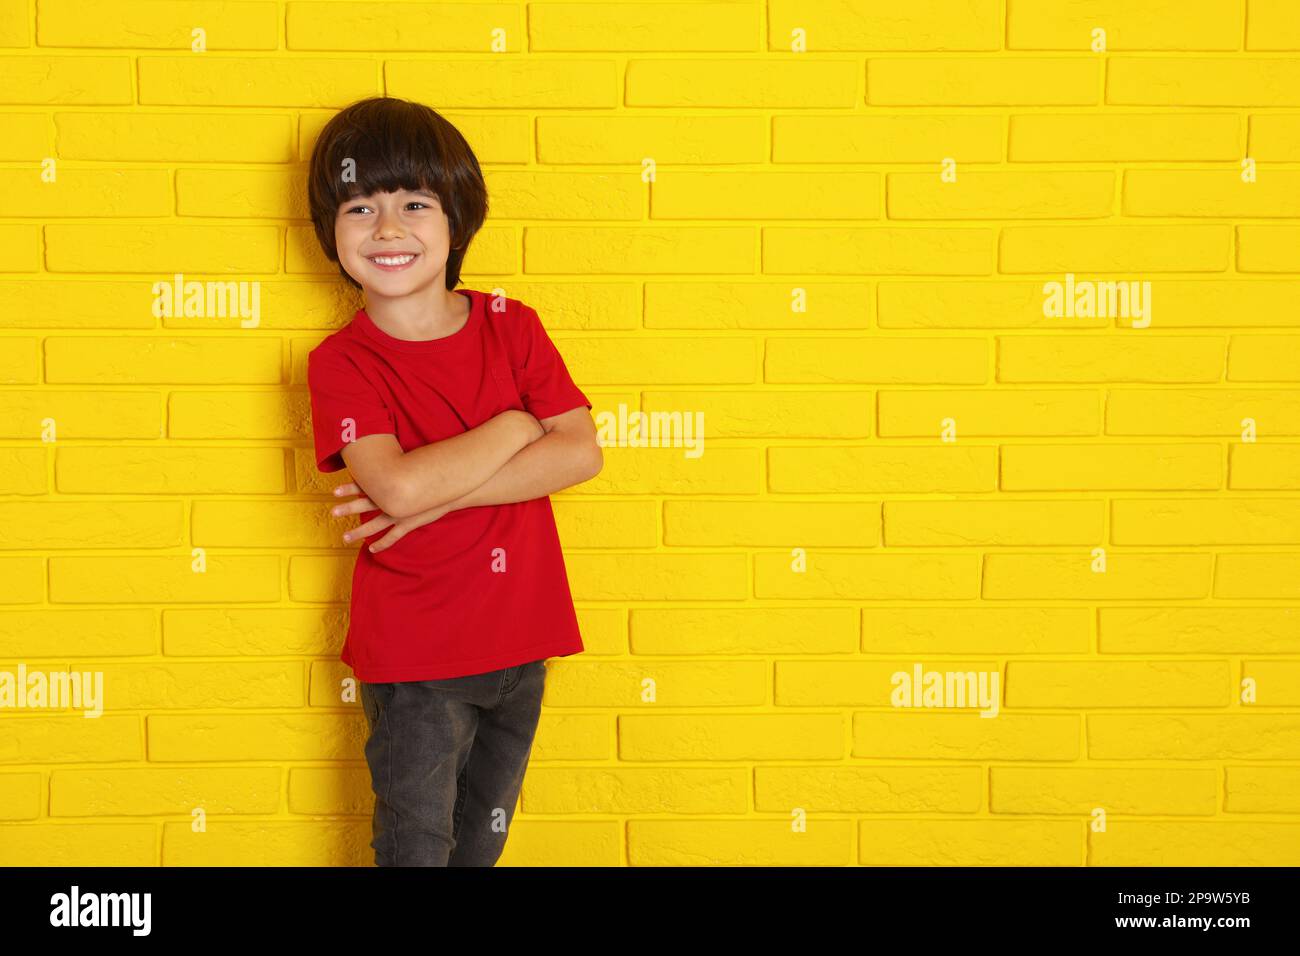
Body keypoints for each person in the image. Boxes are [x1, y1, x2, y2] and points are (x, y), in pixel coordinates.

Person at [304, 96, 602, 866]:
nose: (388, 229)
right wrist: (517, 424)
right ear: (329, 231)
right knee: (417, 847)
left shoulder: (513, 322)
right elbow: (396, 491)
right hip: (415, 659)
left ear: (457, 219)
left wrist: (446, 487)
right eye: (359, 207)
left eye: (415, 203)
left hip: (522, 643)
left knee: (480, 847)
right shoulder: (341, 364)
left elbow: (581, 454)